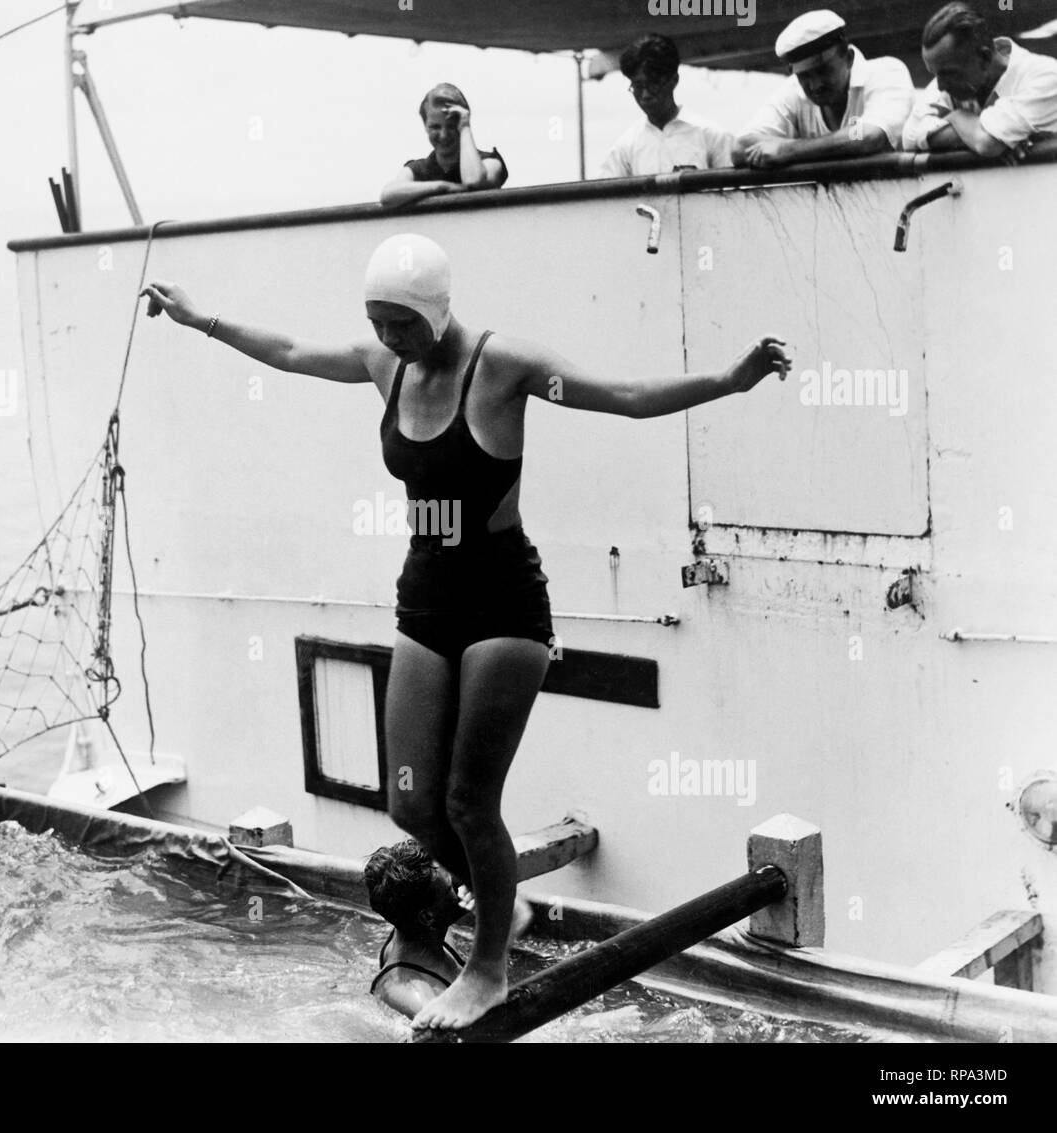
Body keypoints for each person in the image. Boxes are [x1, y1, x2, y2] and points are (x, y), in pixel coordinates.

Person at [140, 234, 790, 1030]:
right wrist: (199, 319)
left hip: (503, 603)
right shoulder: (387, 366)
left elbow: (619, 394)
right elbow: (291, 351)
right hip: (426, 599)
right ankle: (500, 905)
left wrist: (731, 380)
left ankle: (487, 966)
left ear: (436, 311)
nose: (387, 339)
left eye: (400, 324)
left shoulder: (503, 364)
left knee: (470, 800)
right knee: (411, 802)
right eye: (376, 323)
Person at [733, 9, 913, 169]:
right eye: (804, 76)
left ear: (849, 58)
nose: (815, 84)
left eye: (823, 70)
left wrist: (787, 150)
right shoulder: (792, 90)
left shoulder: (886, 72)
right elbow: (740, 147)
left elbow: (867, 136)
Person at [903, 2, 1057, 159]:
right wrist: (966, 124)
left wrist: (956, 118)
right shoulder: (950, 74)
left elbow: (987, 143)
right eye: (936, 75)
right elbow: (910, 135)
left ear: (985, 57)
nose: (941, 86)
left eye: (949, 74)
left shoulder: (1045, 76)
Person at [599, 34, 733, 178]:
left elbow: (737, 195)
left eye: (653, 84)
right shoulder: (624, 149)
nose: (645, 95)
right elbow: (605, 196)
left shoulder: (712, 137)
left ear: (674, 80)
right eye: (637, 86)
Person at [364, 839, 468, 1019]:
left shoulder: (417, 927)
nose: (462, 885)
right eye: (451, 886)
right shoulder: (417, 999)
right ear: (428, 917)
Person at [380, 84, 508, 207]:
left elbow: (473, 181)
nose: (443, 135)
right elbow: (387, 195)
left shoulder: (490, 162)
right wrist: (442, 186)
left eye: (451, 126)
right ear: (425, 126)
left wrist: (464, 126)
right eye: (435, 127)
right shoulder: (419, 169)